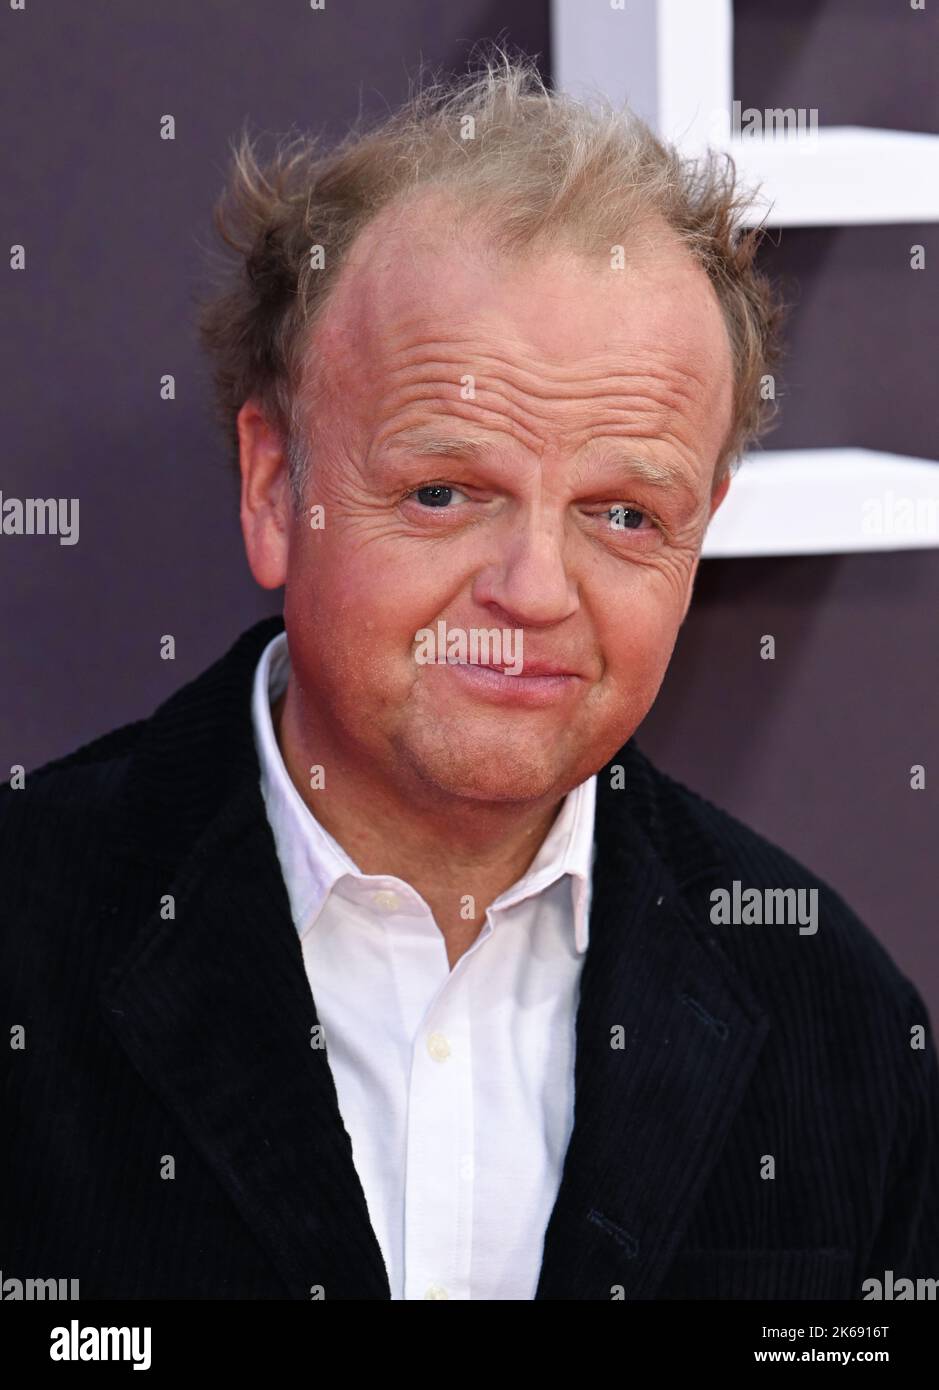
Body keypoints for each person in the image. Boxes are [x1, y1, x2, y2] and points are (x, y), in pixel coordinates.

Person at [2, 52, 936, 1301]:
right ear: (276, 487)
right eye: (444, 493)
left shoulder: (843, 1023)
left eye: (620, 514)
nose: (535, 591)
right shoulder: (29, 932)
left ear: (699, 528)